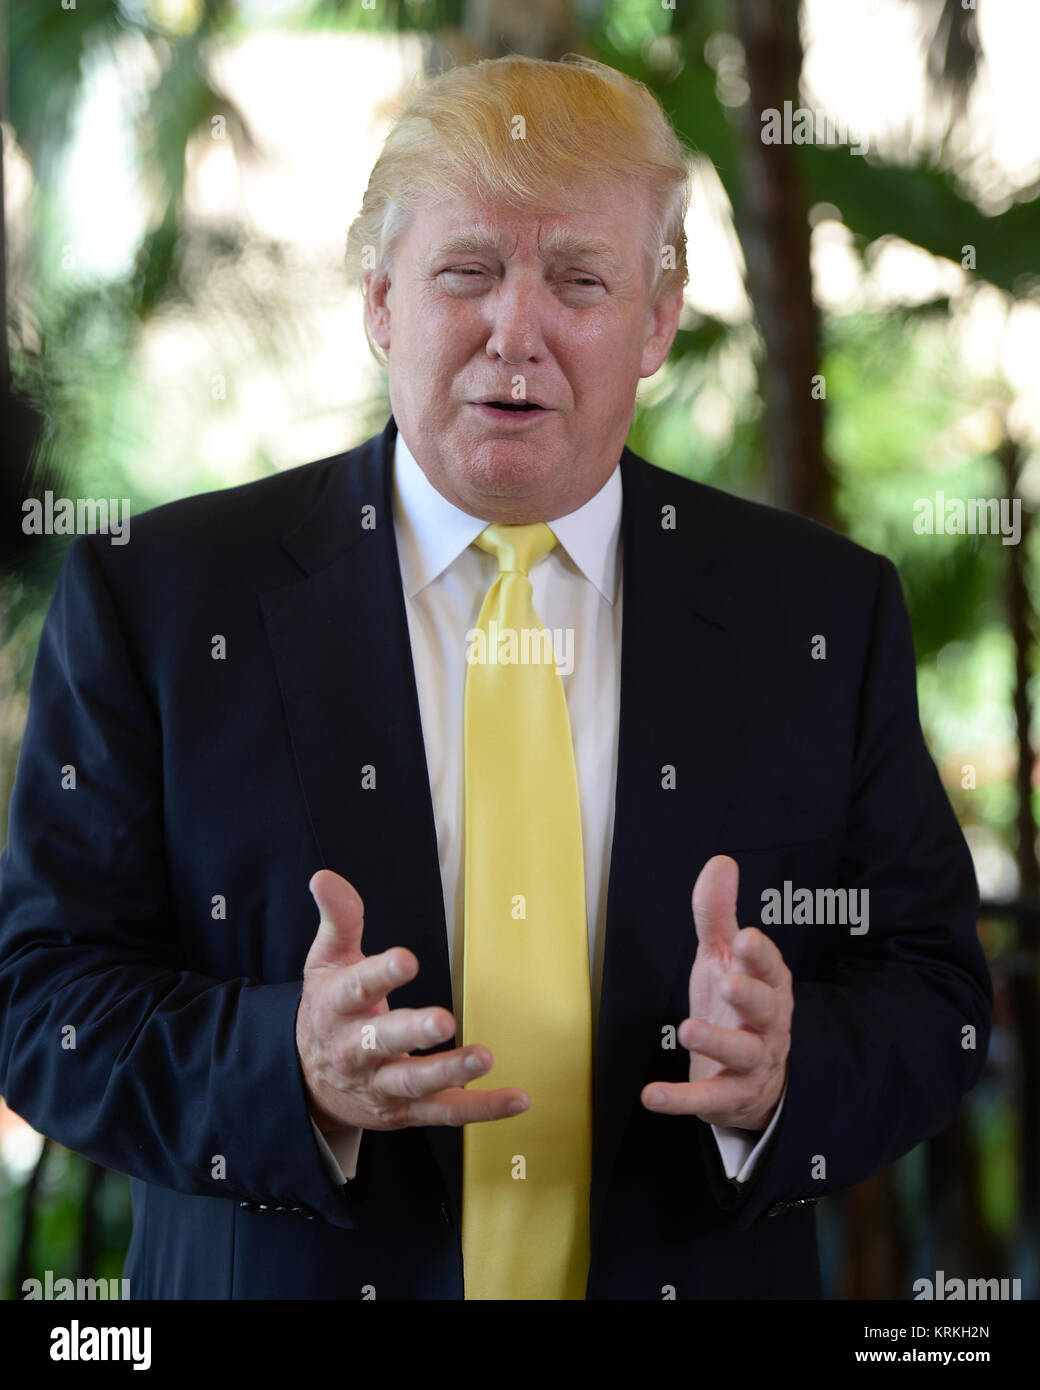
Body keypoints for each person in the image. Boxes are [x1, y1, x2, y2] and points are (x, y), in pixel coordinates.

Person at [0, 54, 991, 1300]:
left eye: (578, 279)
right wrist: (286, 1067)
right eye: (466, 272)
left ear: (654, 322)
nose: (513, 330)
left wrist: (787, 1073)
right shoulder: (155, 598)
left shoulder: (819, 611)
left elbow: (933, 989)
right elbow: (40, 1002)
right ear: (378, 303)